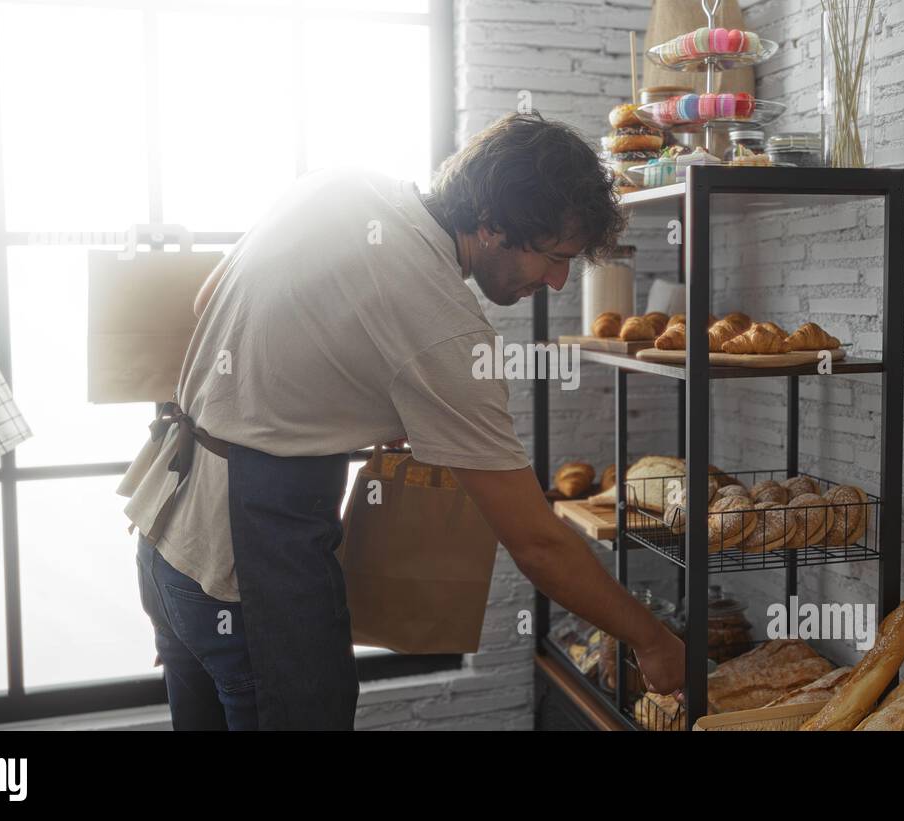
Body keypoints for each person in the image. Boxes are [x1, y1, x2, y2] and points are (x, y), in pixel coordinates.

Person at [119, 112, 686, 730]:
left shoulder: (340, 184)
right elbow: (537, 544)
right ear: (493, 224)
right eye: (553, 258)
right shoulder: (448, 333)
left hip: (167, 535)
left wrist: (351, 399)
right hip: (248, 569)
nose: (556, 282)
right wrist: (651, 639)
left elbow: (210, 304)